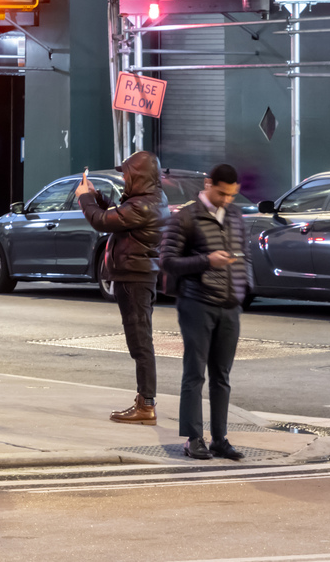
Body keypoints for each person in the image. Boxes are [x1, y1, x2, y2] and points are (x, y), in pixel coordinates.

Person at [162, 162, 249, 460]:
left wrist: (242, 290)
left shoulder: (235, 216)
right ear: (209, 184)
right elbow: (167, 262)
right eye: (222, 193)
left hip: (229, 305)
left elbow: (244, 255)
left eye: (232, 195)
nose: (227, 200)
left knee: (221, 376)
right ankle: (193, 438)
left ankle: (220, 439)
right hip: (196, 302)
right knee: (195, 373)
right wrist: (206, 261)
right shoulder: (185, 216)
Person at [77, 151, 165, 425]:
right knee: (140, 340)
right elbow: (117, 215)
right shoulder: (150, 200)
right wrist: (97, 197)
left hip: (134, 279)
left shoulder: (143, 206)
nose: (124, 179)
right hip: (137, 276)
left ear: (139, 177)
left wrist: (85, 198)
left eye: (127, 175)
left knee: (140, 342)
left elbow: (102, 221)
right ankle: (144, 401)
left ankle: (146, 405)